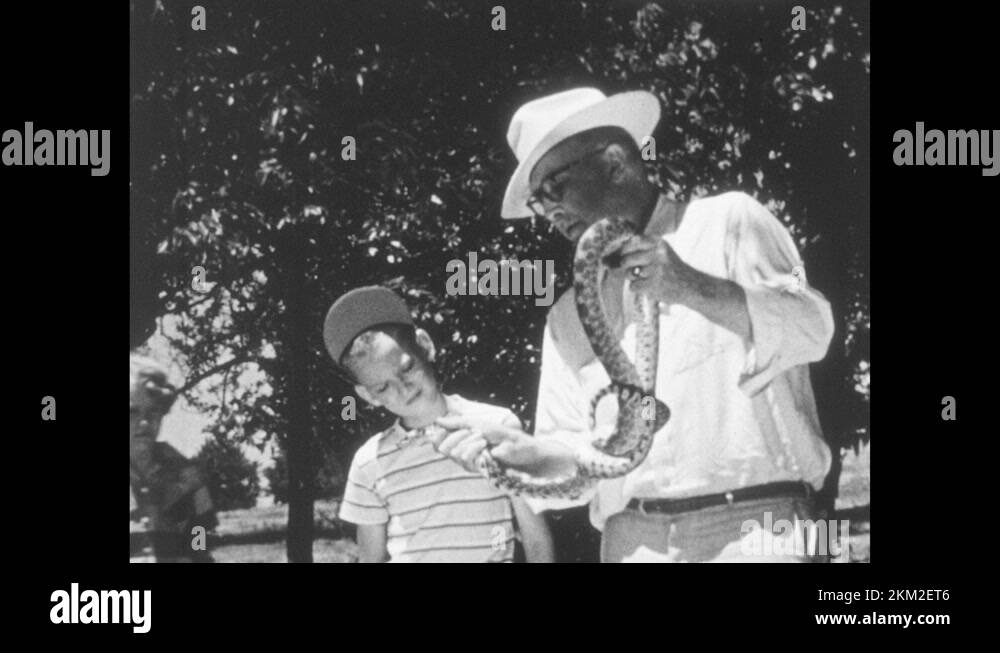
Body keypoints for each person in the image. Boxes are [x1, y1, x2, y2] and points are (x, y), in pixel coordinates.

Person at [430, 88, 835, 562]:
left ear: (616, 164)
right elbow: (575, 458)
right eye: (539, 203)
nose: (550, 212)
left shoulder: (727, 221)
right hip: (631, 540)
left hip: (756, 531)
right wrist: (524, 454)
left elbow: (814, 329)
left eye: (555, 188)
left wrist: (691, 286)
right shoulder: (567, 313)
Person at [325, 286, 554, 563]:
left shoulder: (498, 427)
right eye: (384, 387)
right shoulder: (368, 462)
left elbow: (536, 538)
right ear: (367, 395)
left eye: (407, 368)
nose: (403, 388)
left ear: (425, 345)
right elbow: (371, 559)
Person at [130, 354, 217, 563]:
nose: (144, 423)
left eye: (153, 412)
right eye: (131, 412)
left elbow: (200, 536)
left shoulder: (187, 475)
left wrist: (197, 556)